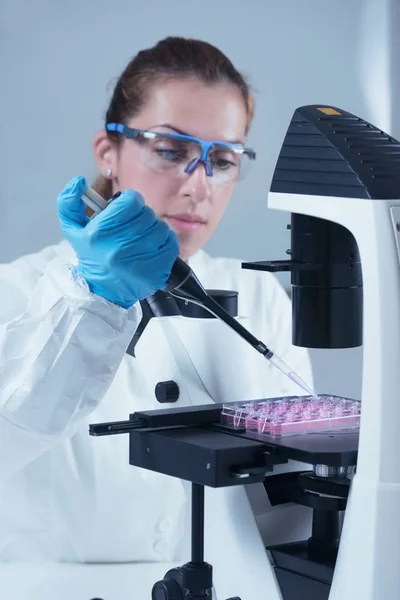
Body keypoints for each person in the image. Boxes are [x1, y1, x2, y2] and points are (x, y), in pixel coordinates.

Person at [0, 36, 313, 565]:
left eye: (226, 159)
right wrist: (91, 302)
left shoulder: (260, 295)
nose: (200, 186)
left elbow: (283, 500)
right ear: (109, 153)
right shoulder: (17, 290)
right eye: (171, 151)